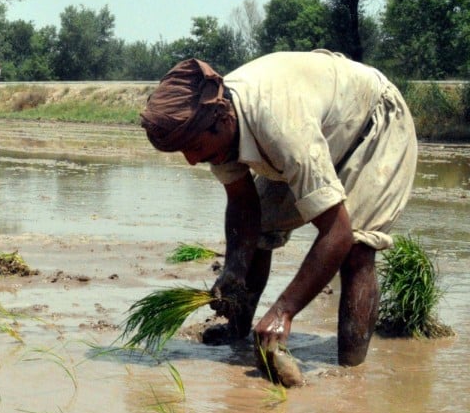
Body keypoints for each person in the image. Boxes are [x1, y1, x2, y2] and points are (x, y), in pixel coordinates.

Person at [140, 50, 417, 382]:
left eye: (194, 148)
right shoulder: (214, 124)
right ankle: (238, 330)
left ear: (224, 120)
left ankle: (351, 375)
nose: (191, 159)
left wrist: (284, 311)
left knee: (356, 246)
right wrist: (233, 272)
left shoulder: (280, 125)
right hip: (322, 128)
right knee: (258, 233)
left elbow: (337, 233)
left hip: (373, 123)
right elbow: (244, 208)